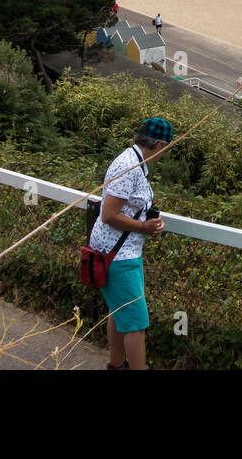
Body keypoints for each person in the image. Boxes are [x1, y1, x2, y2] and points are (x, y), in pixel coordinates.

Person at [89, 117, 172, 370]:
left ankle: (116, 365)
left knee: (119, 313)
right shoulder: (129, 167)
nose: (165, 153)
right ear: (158, 144)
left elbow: (128, 206)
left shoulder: (133, 161)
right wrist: (143, 227)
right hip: (118, 256)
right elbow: (109, 215)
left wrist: (151, 220)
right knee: (136, 324)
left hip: (115, 251)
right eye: (167, 147)